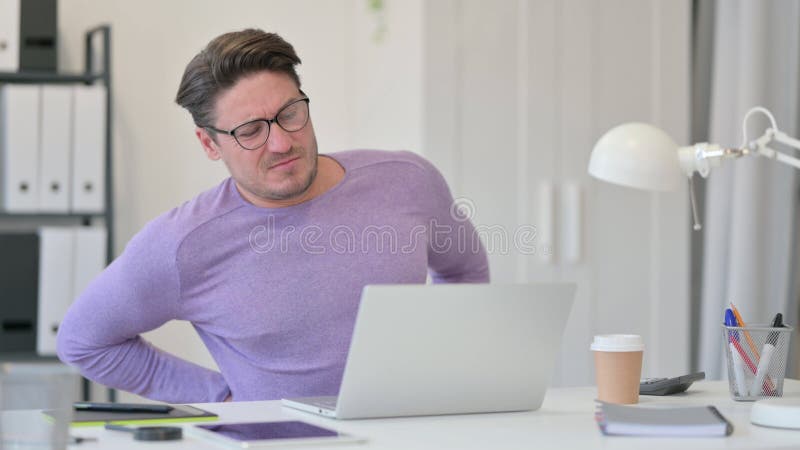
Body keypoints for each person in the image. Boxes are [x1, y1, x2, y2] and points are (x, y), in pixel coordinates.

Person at [56, 29, 489, 403]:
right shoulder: (180, 245)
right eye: (250, 131)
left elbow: (464, 271)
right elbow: (83, 342)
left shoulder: (407, 179)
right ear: (209, 144)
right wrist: (222, 398)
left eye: (290, 114)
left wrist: (444, 367)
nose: (281, 143)